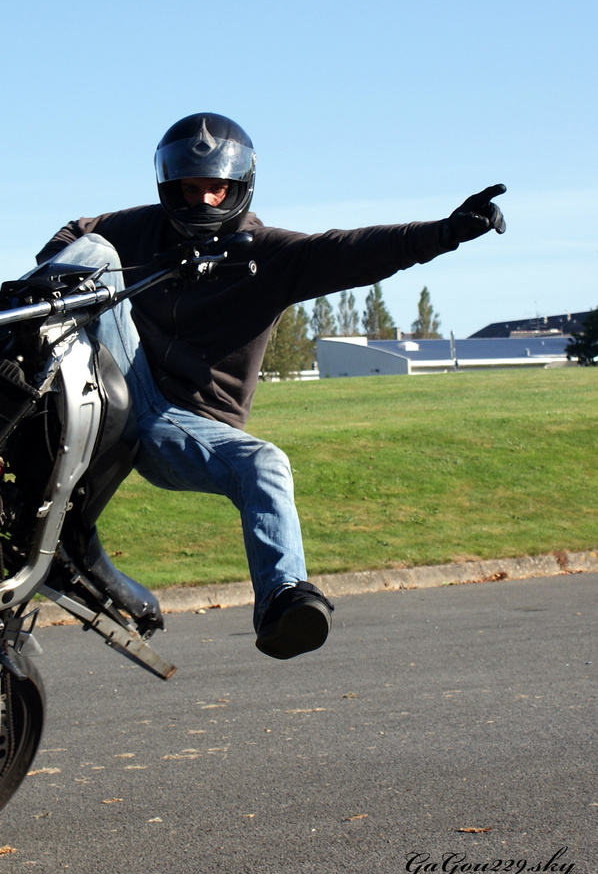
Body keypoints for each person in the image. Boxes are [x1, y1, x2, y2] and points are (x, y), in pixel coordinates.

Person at [36, 112, 507, 660]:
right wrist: (55, 274)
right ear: (170, 187)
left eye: (218, 189)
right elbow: (73, 235)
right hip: (117, 380)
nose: (204, 203)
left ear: (240, 186)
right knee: (93, 252)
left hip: (184, 428)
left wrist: (443, 234)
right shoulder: (142, 229)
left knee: (267, 464)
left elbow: (352, 250)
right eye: (190, 189)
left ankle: (282, 600)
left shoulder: (268, 255)